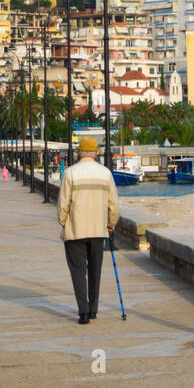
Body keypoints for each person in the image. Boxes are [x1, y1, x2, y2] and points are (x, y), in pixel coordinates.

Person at [57, 136, 119, 324]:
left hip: (75, 229)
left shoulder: (70, 173)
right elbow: (113, 205)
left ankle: (83, 312)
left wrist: (63, 222)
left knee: (78, 271)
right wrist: (110, 224)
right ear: (96, 153)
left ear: (79, 153)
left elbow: (63, 204)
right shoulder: (105, 173)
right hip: (98, 230)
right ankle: (93, 309)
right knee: (95, 270)